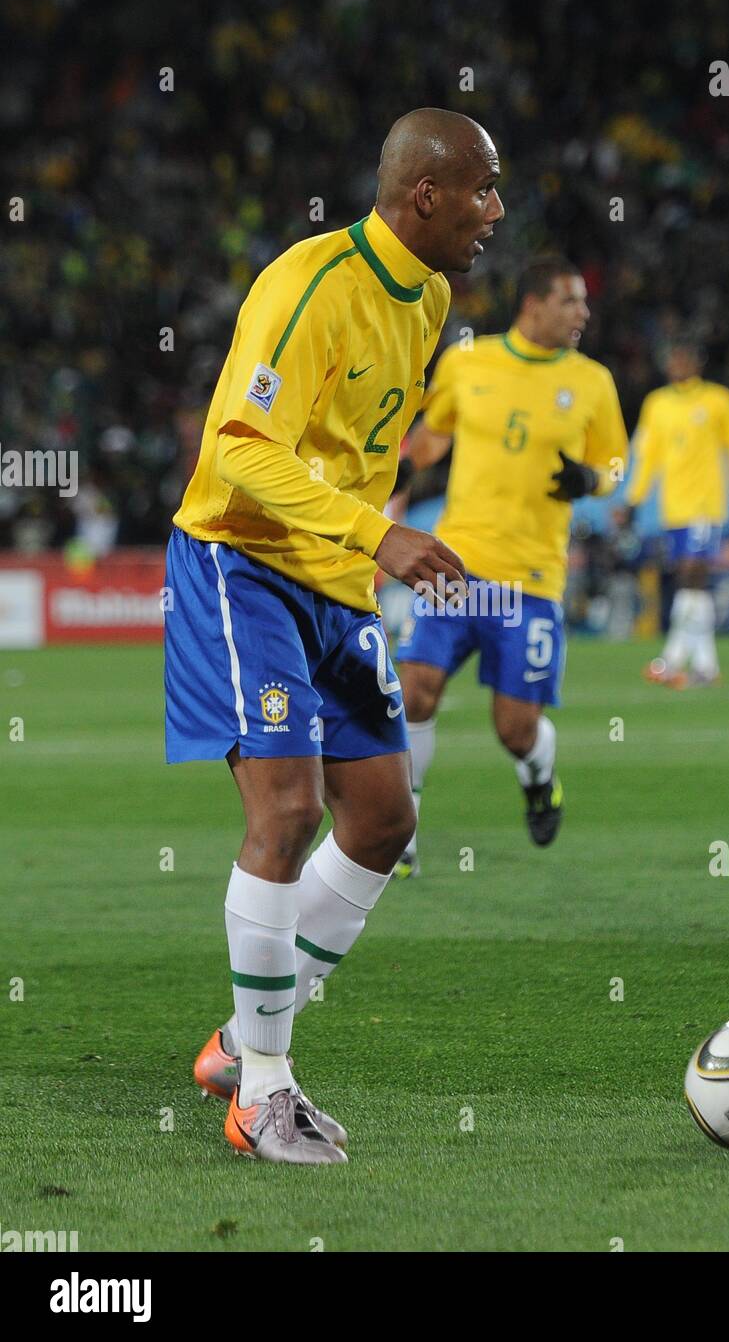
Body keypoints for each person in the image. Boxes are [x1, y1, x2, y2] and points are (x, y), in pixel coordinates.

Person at [163, 108, 504, 1165]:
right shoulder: (308, 286)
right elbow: (238, 452)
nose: (497, 211)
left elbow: (363, 443)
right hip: (240, 562)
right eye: (484, 190)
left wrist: (369, 542)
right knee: (289, 807)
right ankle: (262, 1088)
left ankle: (242, 1038)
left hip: (333, 583)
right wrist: (381, 532)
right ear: (425, 197)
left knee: (385, 819)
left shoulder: (433, 296)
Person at [392, 257, 627, 877]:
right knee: (413, 692)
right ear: (534, 304)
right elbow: (432, 436)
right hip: (455, 564)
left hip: (531, 579)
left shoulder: (593, 381)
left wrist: (591, 478)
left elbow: (620, 467)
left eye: (583, 303)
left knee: (515, 728)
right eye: (571, 301)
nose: (583, 313)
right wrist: (399, 474)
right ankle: (402, 832)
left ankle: (539, 775)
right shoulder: (467, 363)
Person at [617, 341, 729, 688]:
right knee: (691, 582)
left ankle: (673, 659)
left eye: (683, 357)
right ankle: (705, 666)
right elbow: (648, 459)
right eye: (672, 357)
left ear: (698, 361)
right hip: (674, 510)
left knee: (692, 575)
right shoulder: (657, 404)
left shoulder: (718, 400)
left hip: (706, 507)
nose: (677, 363)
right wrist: (633, 501)